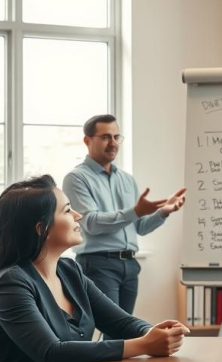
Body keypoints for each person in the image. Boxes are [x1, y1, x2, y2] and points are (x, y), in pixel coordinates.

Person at [0, 175, 190, 362]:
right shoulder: (11, 285)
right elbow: (53, 354)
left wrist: (155, 333)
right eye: (68, 210)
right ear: (42, 229)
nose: (78, 215)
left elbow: (121, 322)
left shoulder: (70, 271)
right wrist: (144, 344)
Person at [62, 114, 186, 319]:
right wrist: (135, 211)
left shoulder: (127, 180)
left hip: (130, 265)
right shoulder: (76, 178)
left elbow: (140, 227)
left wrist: (164, 211)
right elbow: (91, 223)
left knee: (125, 332)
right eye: (105, 137)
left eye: (116, 137)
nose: (113, 143)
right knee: (114, 330)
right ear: (87, 140)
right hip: (99, 264)